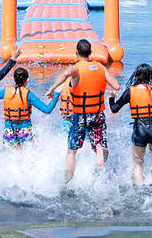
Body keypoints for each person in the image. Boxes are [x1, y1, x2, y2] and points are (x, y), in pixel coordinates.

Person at [47, 39, 117, 183]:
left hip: (80, 116)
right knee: (101, 144)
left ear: (76, 52)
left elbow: (66, 73)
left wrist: (52, 88)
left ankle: (67, 181)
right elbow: (116, 85)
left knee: (72, 151)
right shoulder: (100, 67)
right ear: (91, 52)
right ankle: (99, 151)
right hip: (97, 115)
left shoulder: (76, 69)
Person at [108, 63, 152, 185]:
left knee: (138, 164)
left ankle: (140, 189)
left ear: (136, 75)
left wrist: (111, 98)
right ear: (150, 76)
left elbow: (114, 109)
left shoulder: (130, 91)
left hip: (140, 130)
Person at [0, 68, 56, 147]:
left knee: (12, 153)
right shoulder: (28, 95)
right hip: (24, 130)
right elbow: (47, 110)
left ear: (14, 79)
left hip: (9, 131)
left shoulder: (6, 91)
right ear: (27, 80)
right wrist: (56, 96)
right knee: (27, 153)